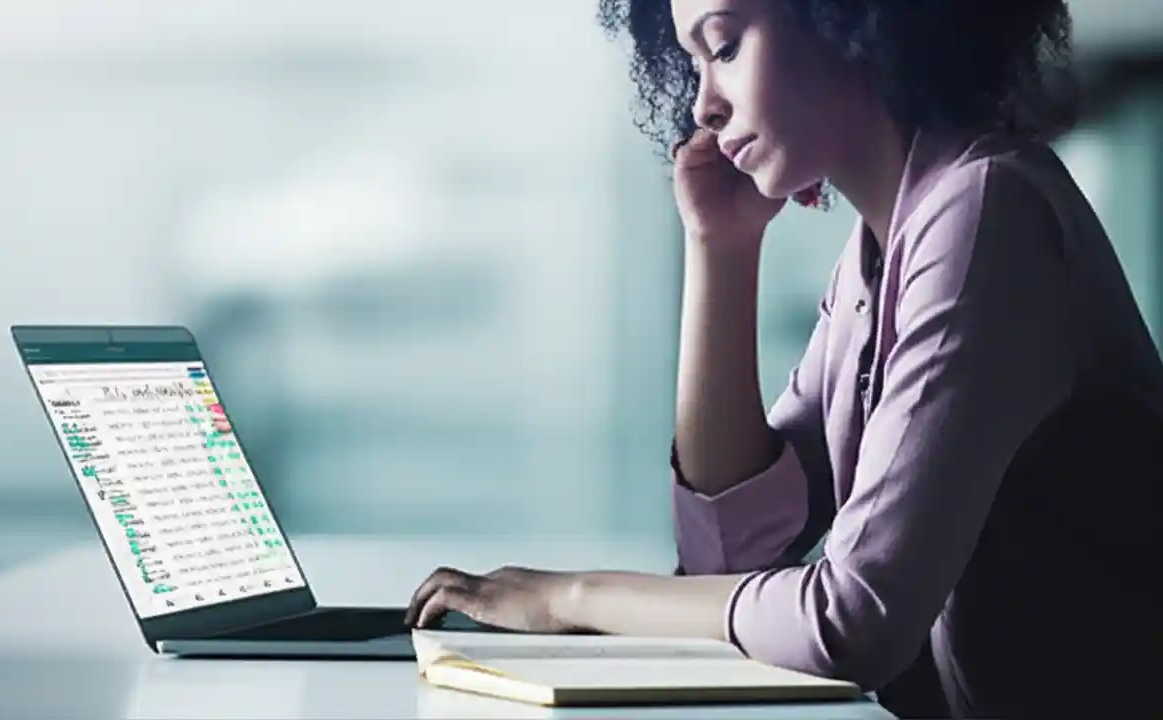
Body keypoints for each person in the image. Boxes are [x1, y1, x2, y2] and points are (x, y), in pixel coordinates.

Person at [404, 0, 1163, 716]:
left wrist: (567, 600)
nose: (702, 104)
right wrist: (722, 249)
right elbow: (732, 556)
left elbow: (851, 618)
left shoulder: (985, 216)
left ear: (846, 17)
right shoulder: (885, 247)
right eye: (692, 62)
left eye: (725, 46)